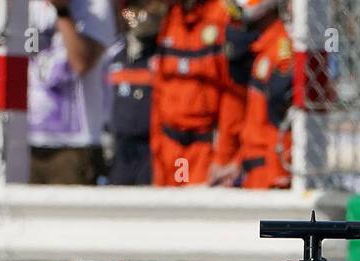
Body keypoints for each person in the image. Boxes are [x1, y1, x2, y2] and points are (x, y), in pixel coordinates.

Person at [27, 0, 116, 185]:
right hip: (29, 142)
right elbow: (32, 54)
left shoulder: (96, 6)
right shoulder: (30, 6)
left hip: (74, 146)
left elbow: (81, 62)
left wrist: (62, 12)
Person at [208, 0, 291, 189]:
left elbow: (278, 129)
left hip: (271, 175)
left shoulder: (280, 54)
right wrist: (235, 164)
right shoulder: (261, 50)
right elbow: (255, 126)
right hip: (253, 171)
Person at [150, 0, 233, 186]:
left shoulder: (222, 17)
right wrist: (156, 149)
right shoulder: (170, 18)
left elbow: (231, 96)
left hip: (203, 148)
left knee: (194, 212)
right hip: (168, 147)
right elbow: (160, 88)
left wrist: (222, 157)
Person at [105, 0, 163, 185]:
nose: (142, 15)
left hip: (152, 149)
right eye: (136, 9)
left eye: (147, 8)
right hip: (120, 150)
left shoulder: (164, 55)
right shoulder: (115, 54)